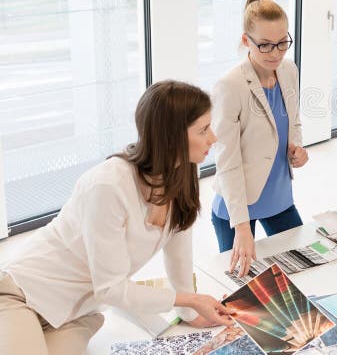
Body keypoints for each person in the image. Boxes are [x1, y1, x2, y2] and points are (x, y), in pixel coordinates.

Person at [0, 81, 234, 355]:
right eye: (203, 129)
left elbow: (178, 257)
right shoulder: (108, 185)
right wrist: (191, 300)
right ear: (171, 137)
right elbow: (111, 289)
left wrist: (190, 311)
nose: (213, 138)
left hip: (77, 314)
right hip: (21, 295)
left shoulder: (183, 174)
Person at [211, 0, 308, 277]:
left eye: (282, 43)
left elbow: (294, 122)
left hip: (279, 198)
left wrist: (297, 148)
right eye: (265, 46)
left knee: (303, 269)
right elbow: (226, 161)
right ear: (246, 41)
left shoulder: (288, 70)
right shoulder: (230, 86)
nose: (275, 53)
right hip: (237, 207)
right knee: (242, 287)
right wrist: (241, 226)